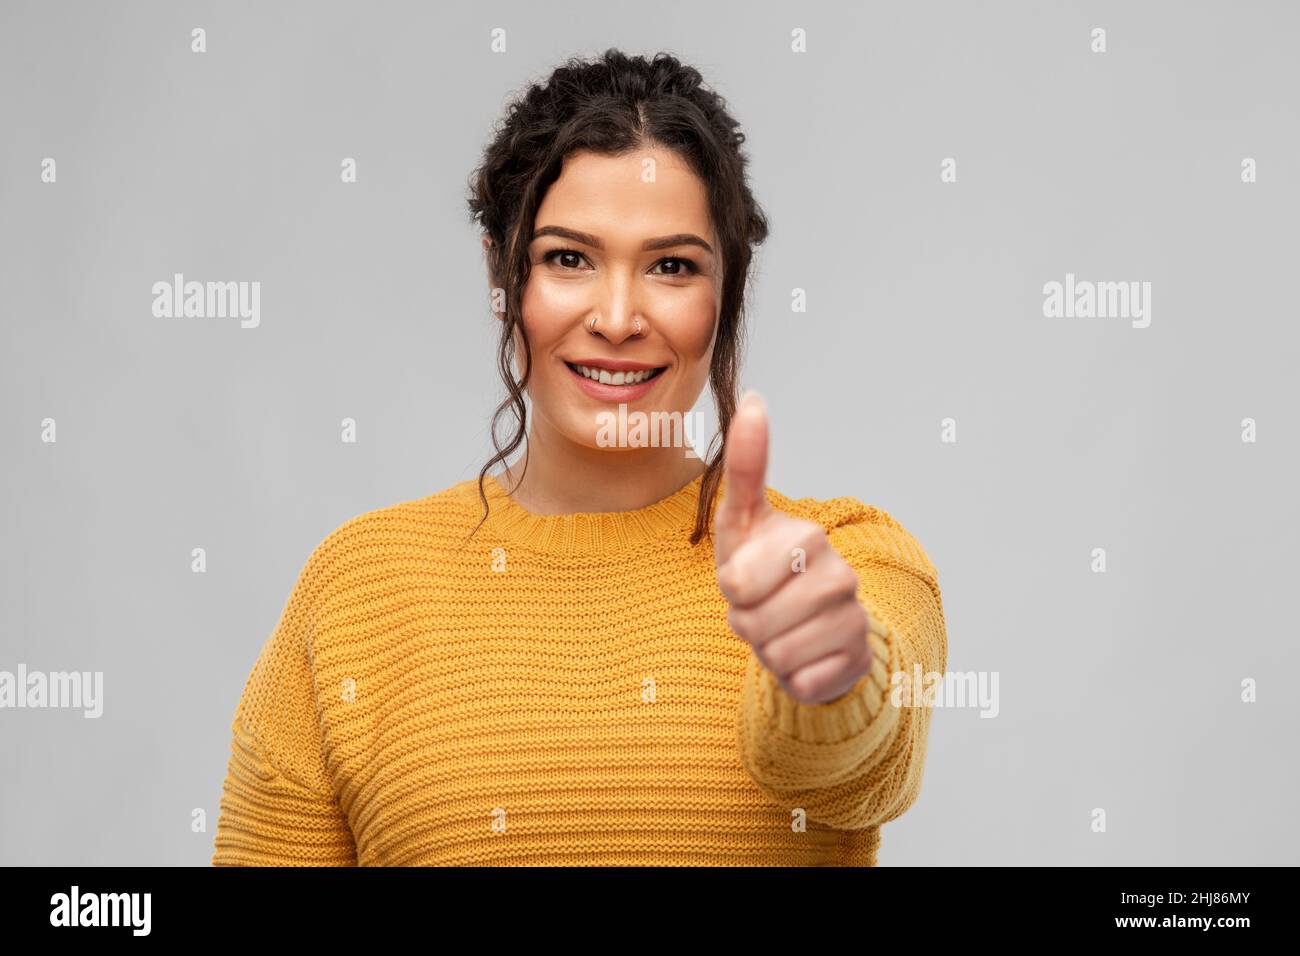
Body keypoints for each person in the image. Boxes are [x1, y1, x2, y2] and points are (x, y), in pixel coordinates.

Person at [212, 48, 947, 867]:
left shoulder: (850, 556)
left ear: (728, 290)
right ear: (502, 272)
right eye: (568, 258)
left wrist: (827, 672)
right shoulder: (354, 591)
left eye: (672, 266)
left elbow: (865, 769)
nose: (619, 316)